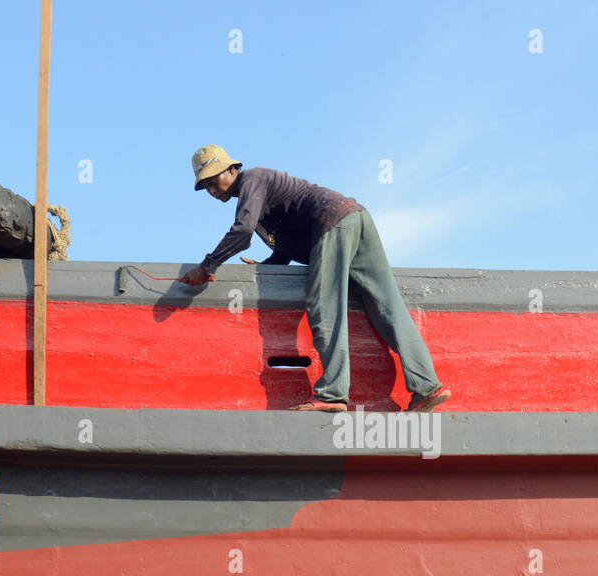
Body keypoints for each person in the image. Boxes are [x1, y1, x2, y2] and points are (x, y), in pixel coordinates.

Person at [179, 145, 451, 413]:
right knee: (388, 307)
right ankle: (427, 386)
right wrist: (271, 264)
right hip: (356, 217)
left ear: (232, 168)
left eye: (214, 180)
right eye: (205, 187)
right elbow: (285, 241)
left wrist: (208, 266)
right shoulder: (259, 190)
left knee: (325, 308)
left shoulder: (252, 179)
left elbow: (243, 232)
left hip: (332, 223)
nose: (212, 190)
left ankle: (332, 394)